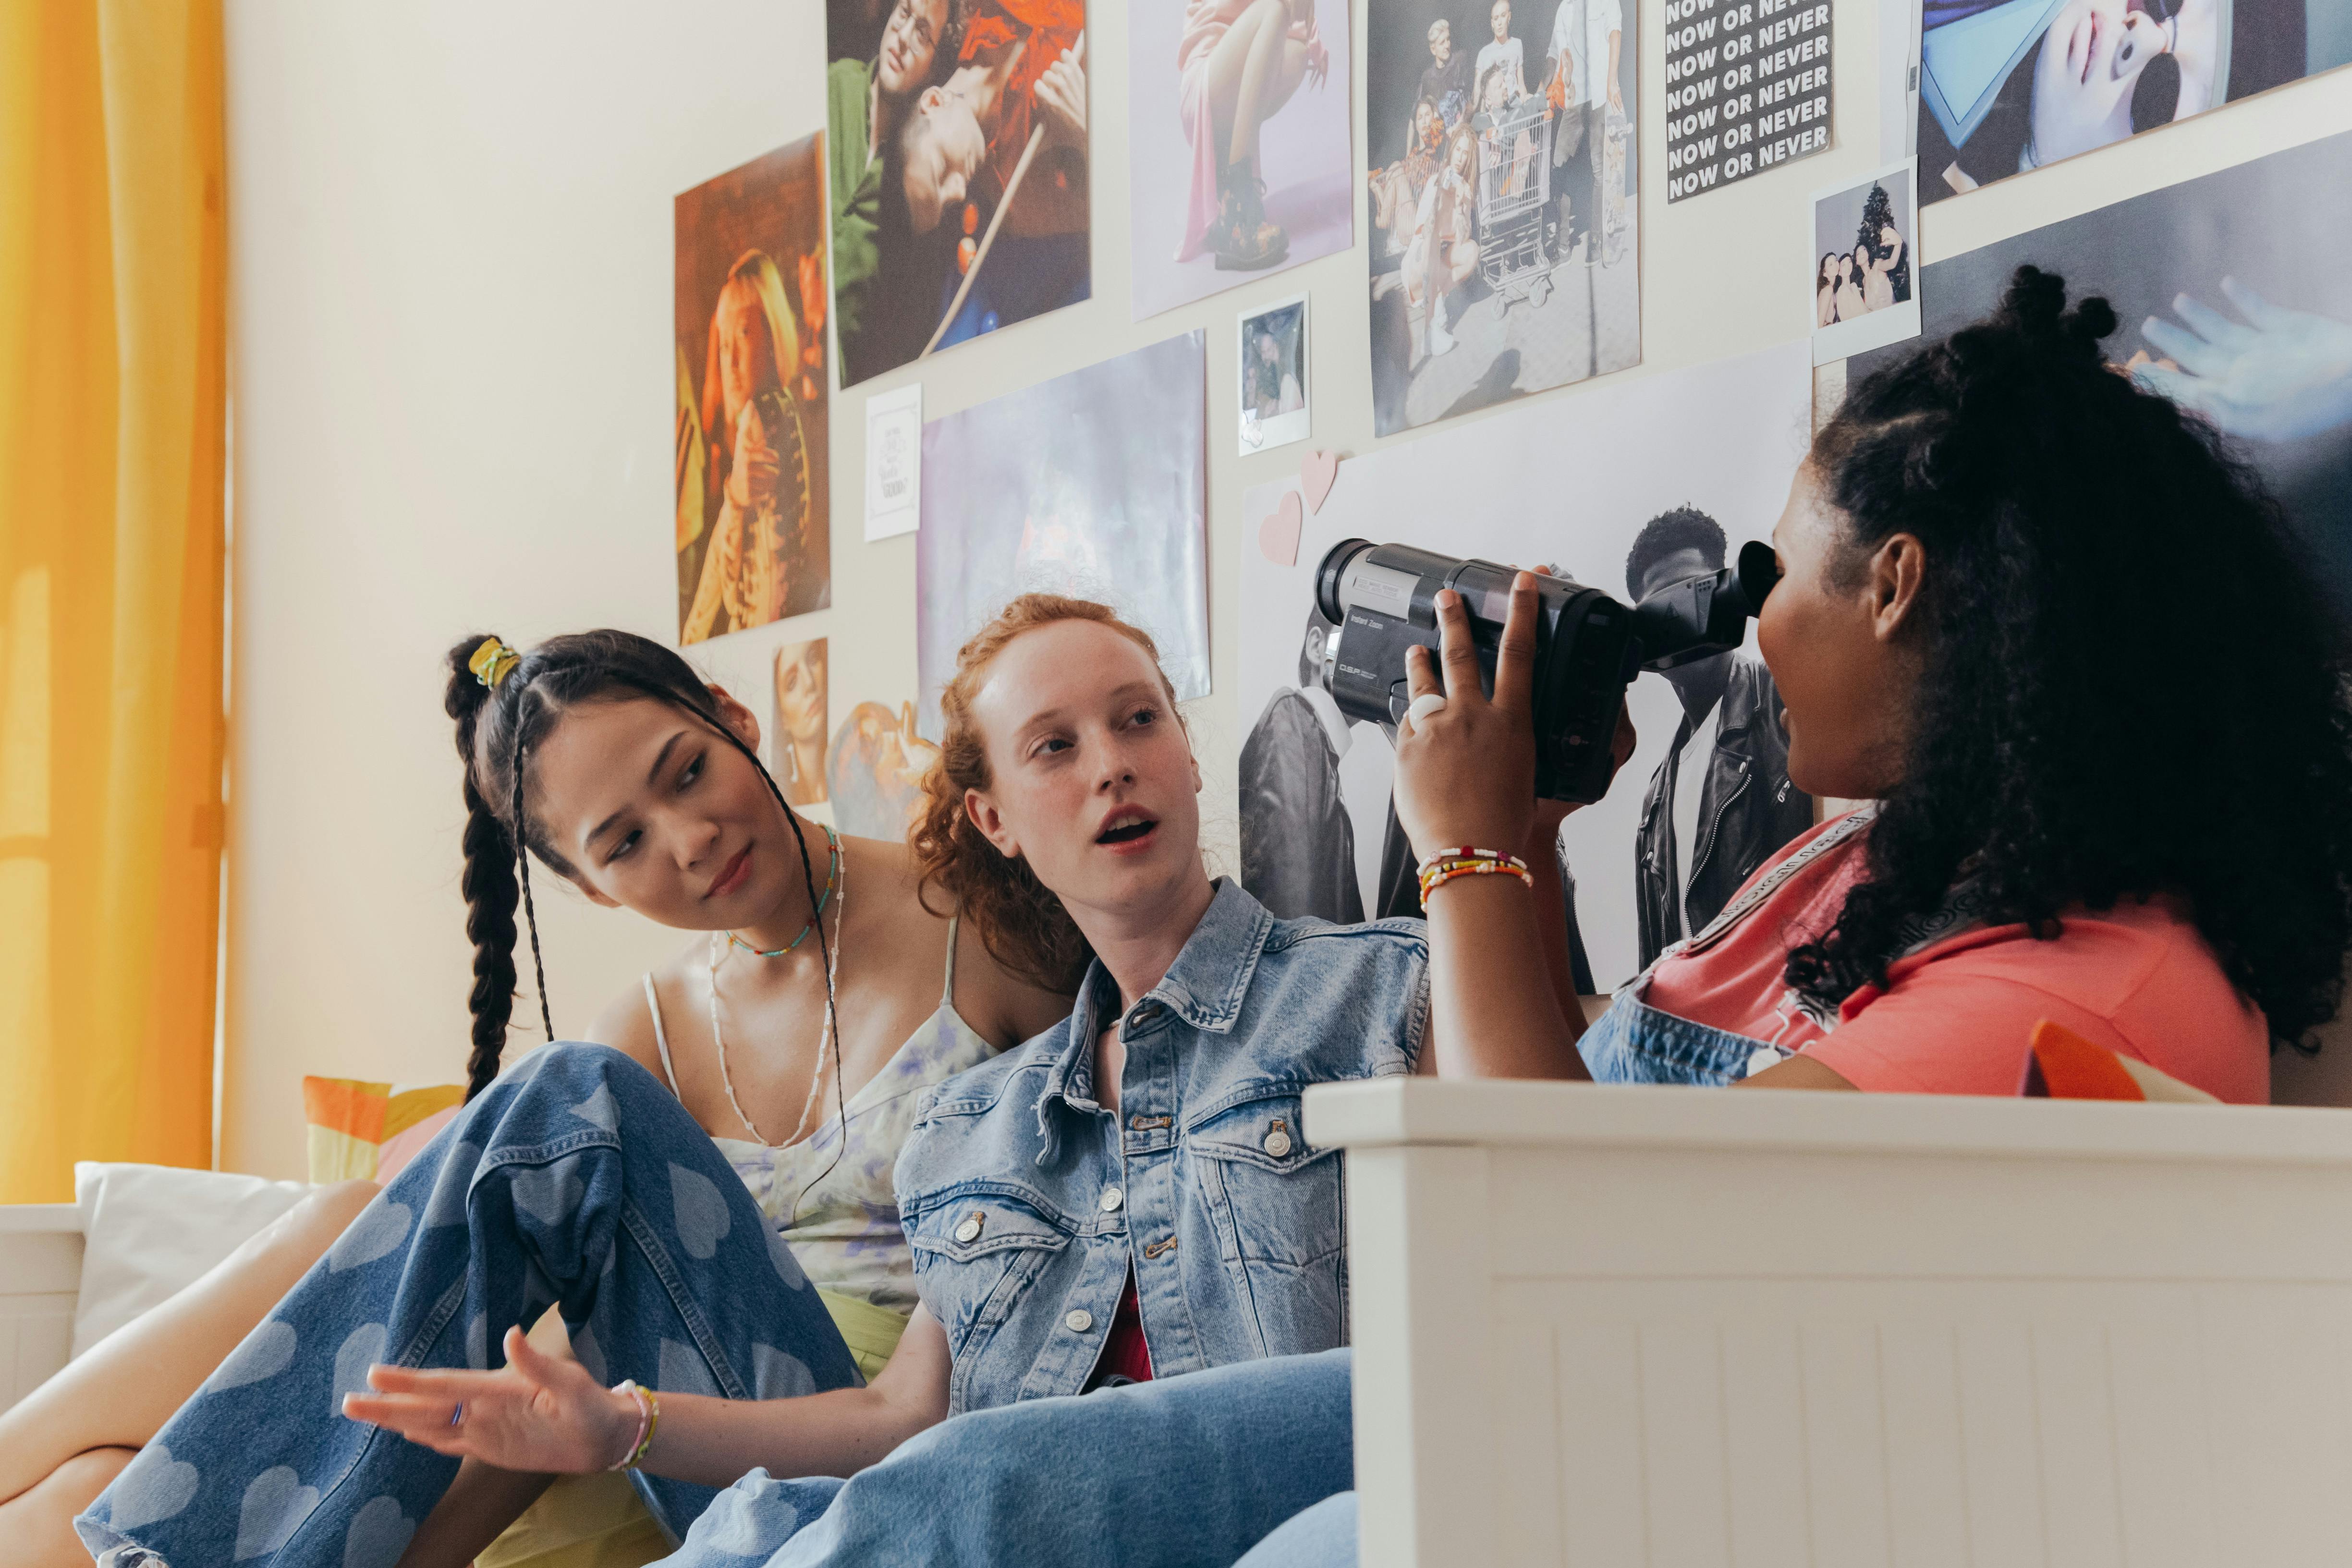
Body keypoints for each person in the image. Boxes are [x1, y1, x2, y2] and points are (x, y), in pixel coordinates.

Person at [45, 630, 1066, 1568]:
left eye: (689, 770)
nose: (692, 837)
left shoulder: (980, 926)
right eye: (624, 843)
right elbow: (552, 1378)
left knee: (566, 1095)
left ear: (733, 715)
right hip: (715, 1474)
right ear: (588, 886)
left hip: (891, 1450)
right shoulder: (653, 1028)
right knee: (89, 1476)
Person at [1621, 507, 1813, 972]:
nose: (1684, 618)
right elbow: (1656, 966)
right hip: (1697, 1032)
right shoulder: (1654, 802)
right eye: (1663, 608)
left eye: (1696, 593)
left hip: (1785, 1018)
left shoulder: (1788, 702)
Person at [681, 252, 826, 643]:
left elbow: (736, 586)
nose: (729, 359)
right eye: (723, 342)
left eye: (743, 333)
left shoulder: (762, 417)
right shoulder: (783, 408)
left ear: (773, 328)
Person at [828, 0, 967, 386]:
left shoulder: (917, 177)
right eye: (903, 14)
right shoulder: (836, 84)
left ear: (935, 71)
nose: (903, 38)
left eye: (923, 34)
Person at [1175, 0, 1332, 273]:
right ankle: (1236, 205)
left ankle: (1227, 189)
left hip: (1230, 84)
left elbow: (1294, 24)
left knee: (1295, 53)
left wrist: (1314, 42)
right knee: (1274, 9)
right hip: (1205, 84)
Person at [1238, 608, 1365, 925]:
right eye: (1366, 632)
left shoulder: (1312, 740)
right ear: (1317, 648)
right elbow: (1294, 920)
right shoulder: (1292, 721)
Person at [1402, 125, 1480, 360]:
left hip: (1440, 267)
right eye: (1458, 150)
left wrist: (1459, 206)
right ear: (1451, 151)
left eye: (1466, 153)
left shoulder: (1464, 190)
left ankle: (1437, 307)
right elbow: (1425, 233)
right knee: (1432, 240)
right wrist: (1439, 199)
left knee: (1473, 250)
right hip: (1419, 266)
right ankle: (1433, 319)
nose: (1461, 157)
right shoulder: (1435, 182)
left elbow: (1463, 239)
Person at [772, 640, 829, 807]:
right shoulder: (785, 803)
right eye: (792, 683)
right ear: (782, 716)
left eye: (812, 659)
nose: (810, 683)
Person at [1414, 15, 1473, 133]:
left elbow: (1472, 99)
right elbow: (1418, 112)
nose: (1447, 46)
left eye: (1448, 39)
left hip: (1463, 133)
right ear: (1433, 49)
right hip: (1439, 140)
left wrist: (1457, 127)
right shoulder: (1427, 77)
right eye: (1442, 43)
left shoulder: (1461, 60)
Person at [1473, 0, 1527, 103]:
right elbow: (1478, 93)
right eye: (1496, 19)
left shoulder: (1517, 44)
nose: (1500, 23)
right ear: (1492, 23)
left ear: (1509, 17)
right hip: (1495, 108)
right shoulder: (1484, 54)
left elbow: (1521, 84)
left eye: (1503, 16)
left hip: (1514, 106)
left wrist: (1525, 105)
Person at [1245, 322, 1303, 418]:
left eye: (1268, 351)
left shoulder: (1287, 378)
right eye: (1263, 352)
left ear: (1276, 347)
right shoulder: (1271, 376)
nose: (1265, 356)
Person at [1833, 251, 1867, 321]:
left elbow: (1864, 309)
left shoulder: (1854, 286)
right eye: (1843, 265)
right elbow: (1845, 318)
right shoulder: (1841, 291)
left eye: (1849, 262)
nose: (1848, 267)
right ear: (1839, 272)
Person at [1816, 251, 1841, 326]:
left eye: (1836, 260)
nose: (1836, 264)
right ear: (1825, 273)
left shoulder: (1831, 289)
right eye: (1831, 264)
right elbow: (1819, 325)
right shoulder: (1828, 289)